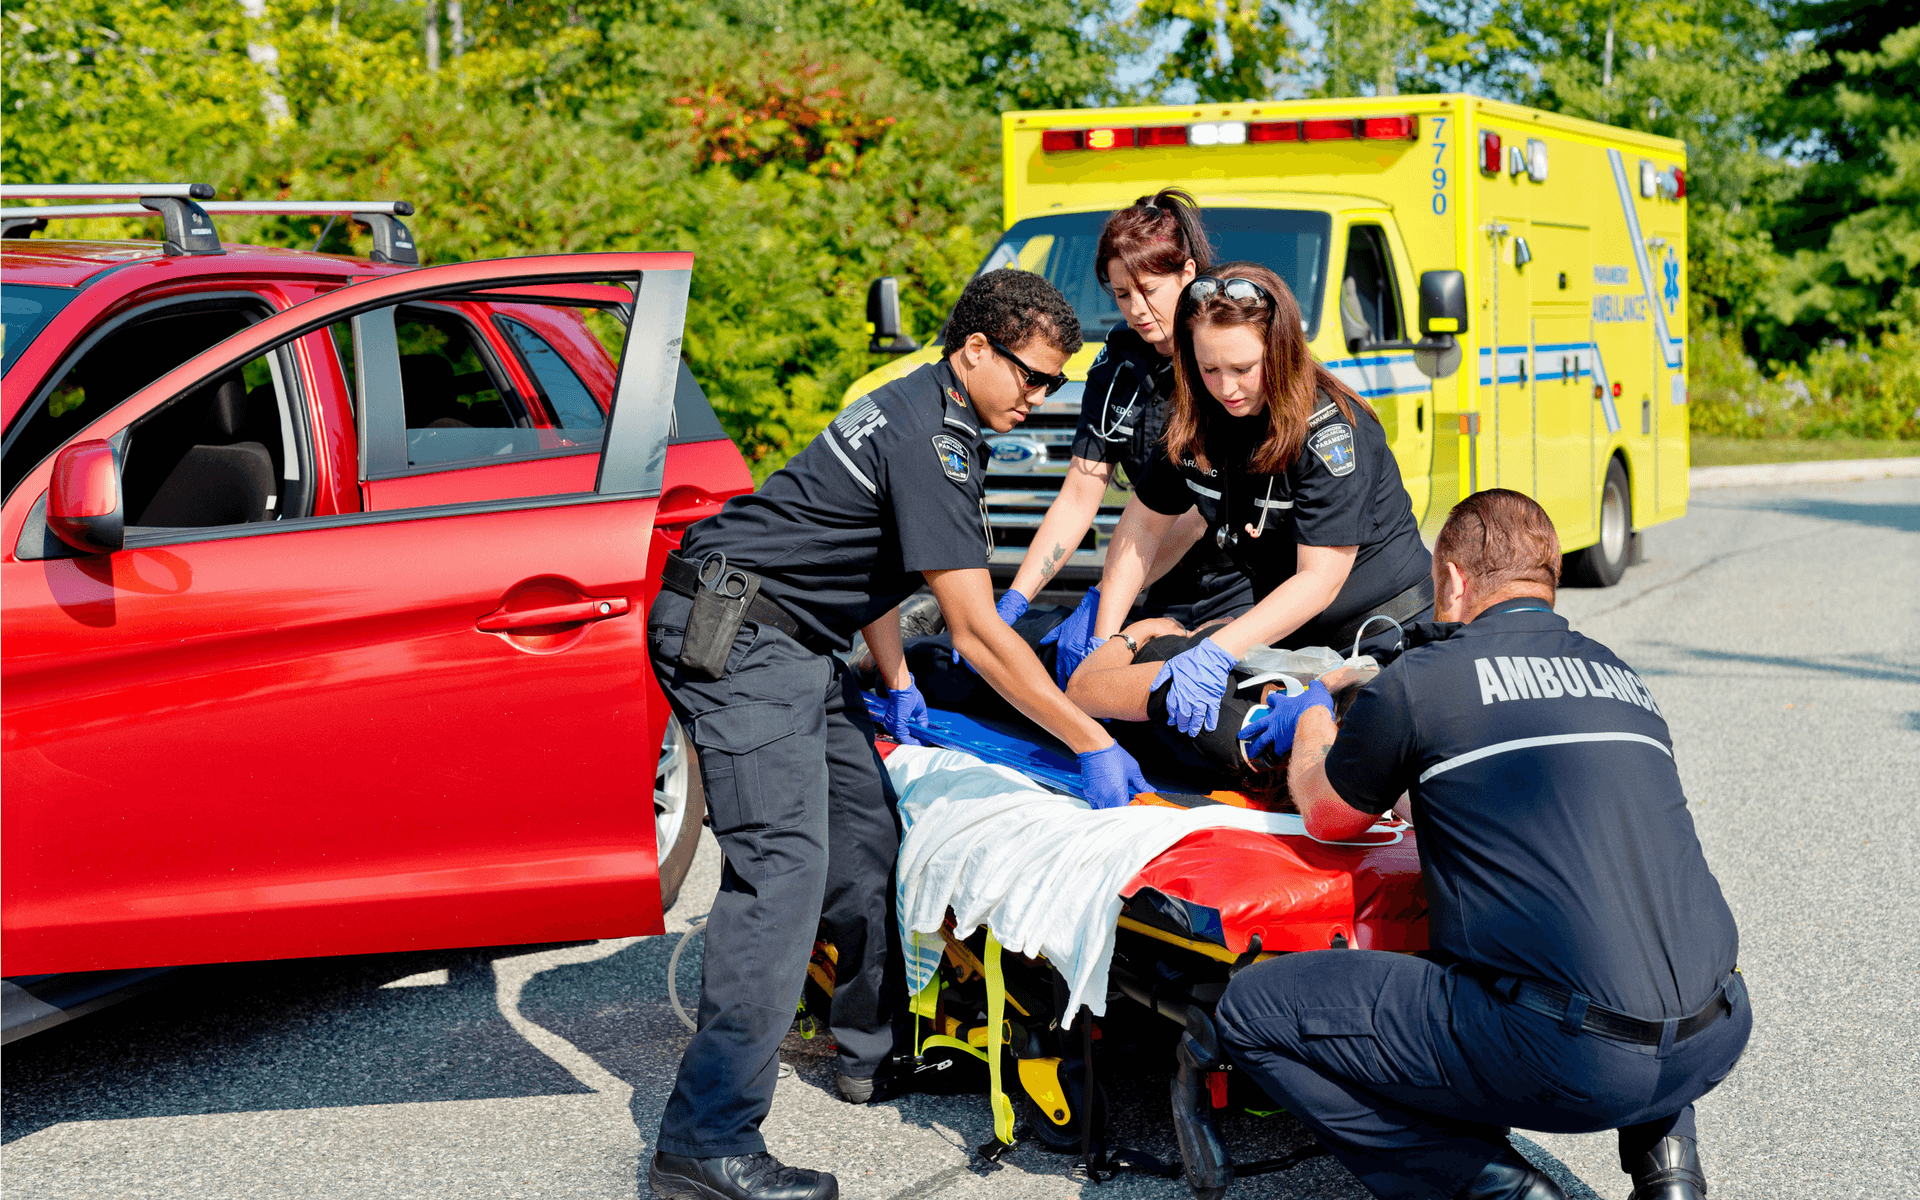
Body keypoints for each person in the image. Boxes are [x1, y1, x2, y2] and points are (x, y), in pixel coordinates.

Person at [641, 269, 1150, 1200]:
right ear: (975, 350)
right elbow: (977, 632)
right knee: (780, 878)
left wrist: (900, 678)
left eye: (1055, 384)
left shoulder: (922, 404)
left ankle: (868, 1050)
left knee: (868, 831)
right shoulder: (930, 438)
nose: (1041, 399)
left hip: (796, 640)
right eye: (1032, 377)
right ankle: (704, 1142)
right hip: (742, 636)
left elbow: (866, 554)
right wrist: (1089, 740)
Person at [1212, 490, 1749, 1200]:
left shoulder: (1421, 682)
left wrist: (1313, 713)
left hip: (1576, 1059)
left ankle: (1499, 1190)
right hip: (1714, 1036)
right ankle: (1670, 1175)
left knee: (1250, 1012)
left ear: (1455, 579)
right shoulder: (1623, 677)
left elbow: (1326, 813)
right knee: (1627, 923)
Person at [1087, 263, 1435, 739]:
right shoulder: (1199, 418)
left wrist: (1214, 653)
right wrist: (1102, 639)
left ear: (1281, 352)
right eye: (1209, 369)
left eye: (1243, 369)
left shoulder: (1329, 430)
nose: (1226, 387)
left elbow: (1320, 579)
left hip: (1380, 638)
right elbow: (1143, 526)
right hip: (1293, 641)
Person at [994, 190, 1254, 681]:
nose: (1136, 309)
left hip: (1239, 585)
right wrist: (1015, 599)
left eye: (1149, 290)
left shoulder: (1223, 363)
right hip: (1155, 583)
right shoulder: (1116, 366)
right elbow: (1078, 495)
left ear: (1188, 274)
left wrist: (1107, 596)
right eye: (1121, 295)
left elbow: (1196, 516)